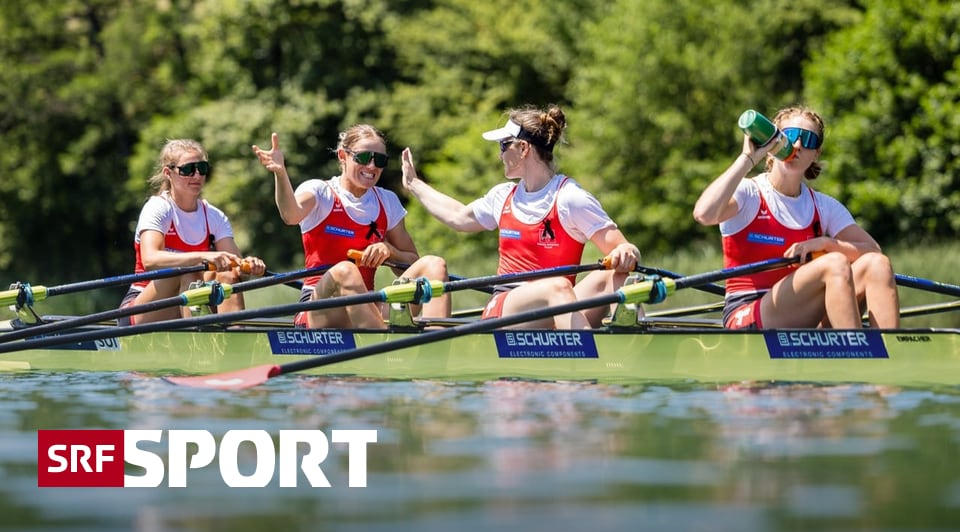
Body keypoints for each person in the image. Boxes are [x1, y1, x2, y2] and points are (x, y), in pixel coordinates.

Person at [400, 104, 641, 330]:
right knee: (558, 286)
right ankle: (591, 353)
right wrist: (414, 184)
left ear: (524, 148)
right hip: (505, 308)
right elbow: (457, 216)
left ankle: (638, 343)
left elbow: (625, 249)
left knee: (614, 276)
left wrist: (626, 252)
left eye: (504, 146)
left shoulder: (571, 198)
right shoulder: (503, 196)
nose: (500, 155)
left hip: (557, 303)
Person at [692, 105, 900, 329]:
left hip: (801, 311)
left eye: (808, 140)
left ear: (816, 153)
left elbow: (874, 251)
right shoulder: (748, 193)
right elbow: (704, 214)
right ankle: (855, 346)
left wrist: (826, 243)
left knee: (878, 264)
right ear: (774, 143)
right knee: (835, 263)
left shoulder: (824, 206)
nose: (798, 145)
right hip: (747, 313)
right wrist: (747, 158)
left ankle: (887, 347)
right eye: (790, 136)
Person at [251, 125, 450, 328]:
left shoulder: (387, 201)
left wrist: (390, 251)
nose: (372, 166)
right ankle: (381, 343)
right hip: (318, 307)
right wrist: (280, 173)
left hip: (368, 306)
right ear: (342, 156)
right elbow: (290, 215)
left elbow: (412, 264)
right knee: (346, 270)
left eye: (380, 160)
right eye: (363, 157)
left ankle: (437, 340)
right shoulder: (320, 191)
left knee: (434, 265)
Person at [120, 139, 266, 325]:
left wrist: (249, 266)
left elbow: (238, 272)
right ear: (168, 173)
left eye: (202, 168)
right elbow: (150, 260)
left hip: (190, 300)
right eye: (188, 169)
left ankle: (235, 335)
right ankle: (200, 336)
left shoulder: (214, 216)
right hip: (141, 308)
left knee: (227, 274)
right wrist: (203, 257)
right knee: (190, 272)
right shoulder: (157, 208)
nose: (197, 175)